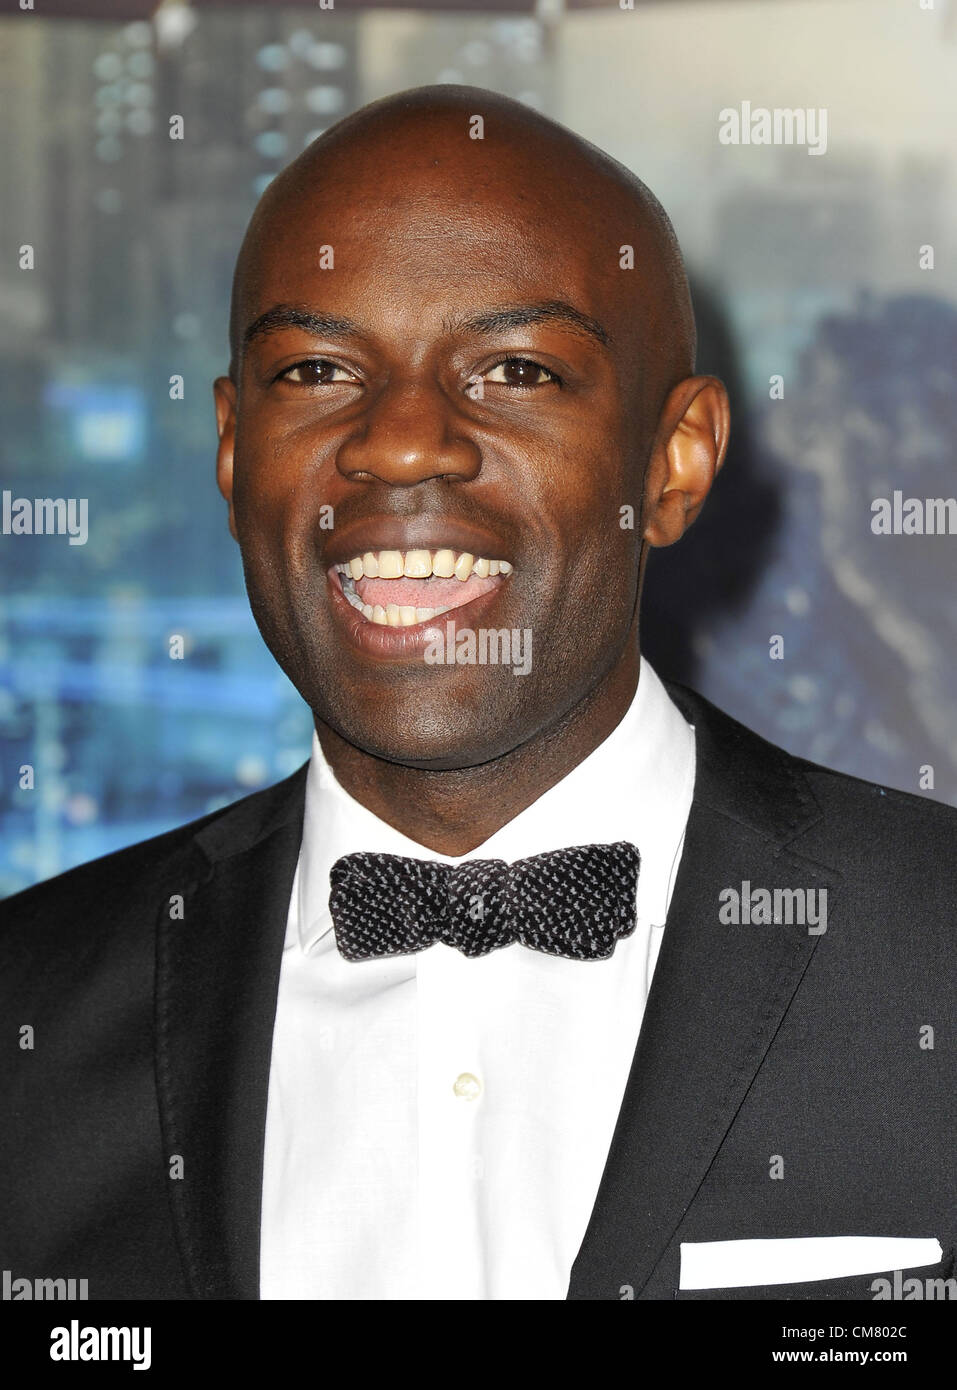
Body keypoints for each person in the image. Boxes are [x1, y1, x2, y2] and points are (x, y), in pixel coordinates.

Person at [1, 86, 954, 1303]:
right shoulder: (25, 1014)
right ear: (233, 453)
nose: (402, 444)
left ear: (676, 462)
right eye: (317, 366)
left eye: (515, 368)